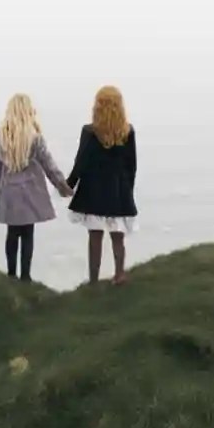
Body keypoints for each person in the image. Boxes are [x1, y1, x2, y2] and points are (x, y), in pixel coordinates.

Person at [0, 94, 73, 281]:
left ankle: (11, 275)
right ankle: (26, 276)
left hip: (9, 193)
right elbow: (49, 165)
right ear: (28, 112)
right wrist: (62, 186)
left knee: (12, 233)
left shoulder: (0, 140)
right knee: (27, 233)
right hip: (30, 192)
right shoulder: (35, 139)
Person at [67, 86, 138, 285]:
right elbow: (132, 166)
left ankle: (94, 281)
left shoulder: (89, 131)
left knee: (95, 237)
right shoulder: (128, 131)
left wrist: (68, 185)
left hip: (94, 190)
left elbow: (81, 163)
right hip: (118, 190)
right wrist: (128, 191)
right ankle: (120, 274)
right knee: (118, 236)